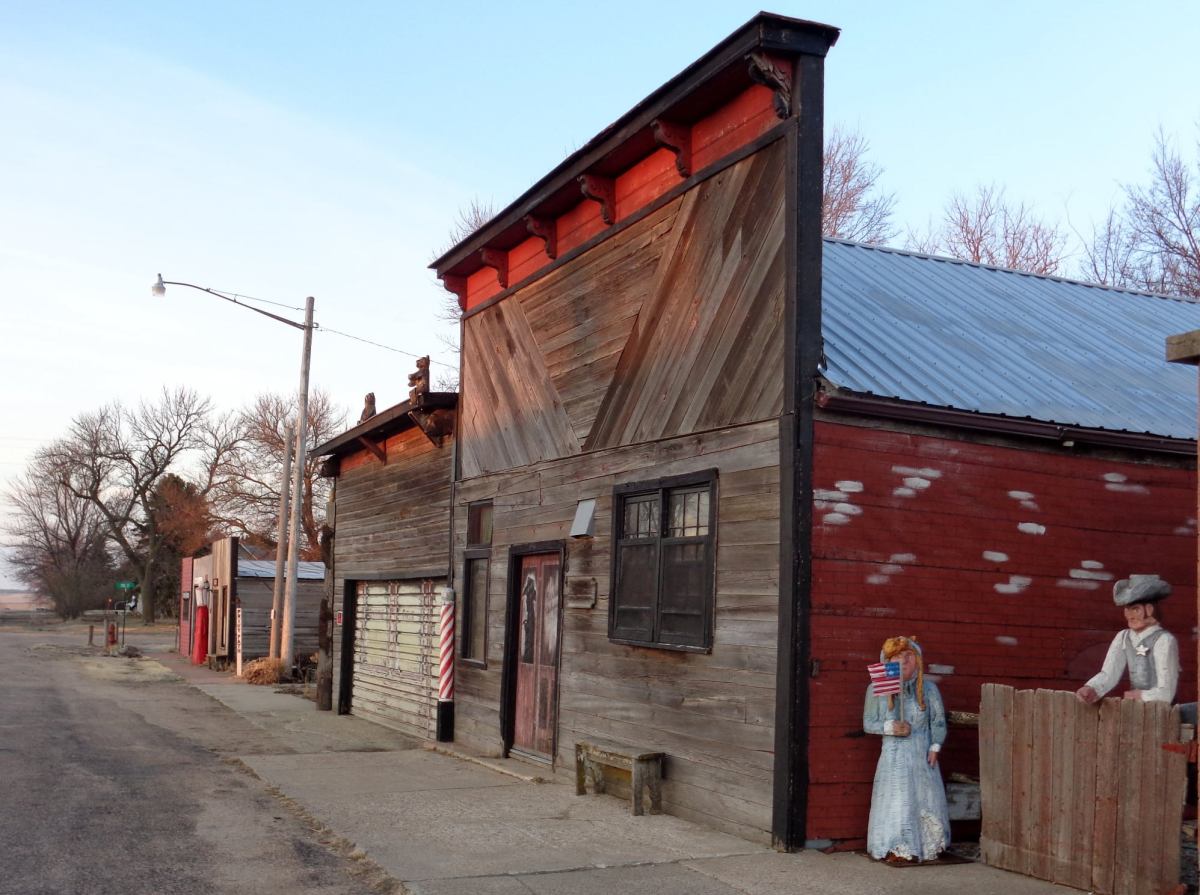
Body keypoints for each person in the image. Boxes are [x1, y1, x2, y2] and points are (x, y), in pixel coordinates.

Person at [862, 636, 950, 863]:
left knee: (926, 798)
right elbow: (869, 723)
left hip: (921, 755)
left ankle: (930, 845)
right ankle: (897, 846)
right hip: (894, 757)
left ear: (917, 661)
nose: (902, 662)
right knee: (897, 801)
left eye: (907, 657)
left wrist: (935, 745)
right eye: (895, 658)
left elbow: (937, 721)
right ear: (886, 662)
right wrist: (891, 726)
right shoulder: (877, 690)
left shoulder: (928, 690)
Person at [1076, 575, 1179, 705]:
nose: (1130, 615)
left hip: (1162, 713)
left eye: (1135, 609)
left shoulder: (1164, 640)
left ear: (1150, 609)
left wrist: (1140, 695)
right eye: (1127, 609)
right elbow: (1109, 673)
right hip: (1135, 711)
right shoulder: (1123, 637)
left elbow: (1167, 692)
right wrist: (1092, 688)